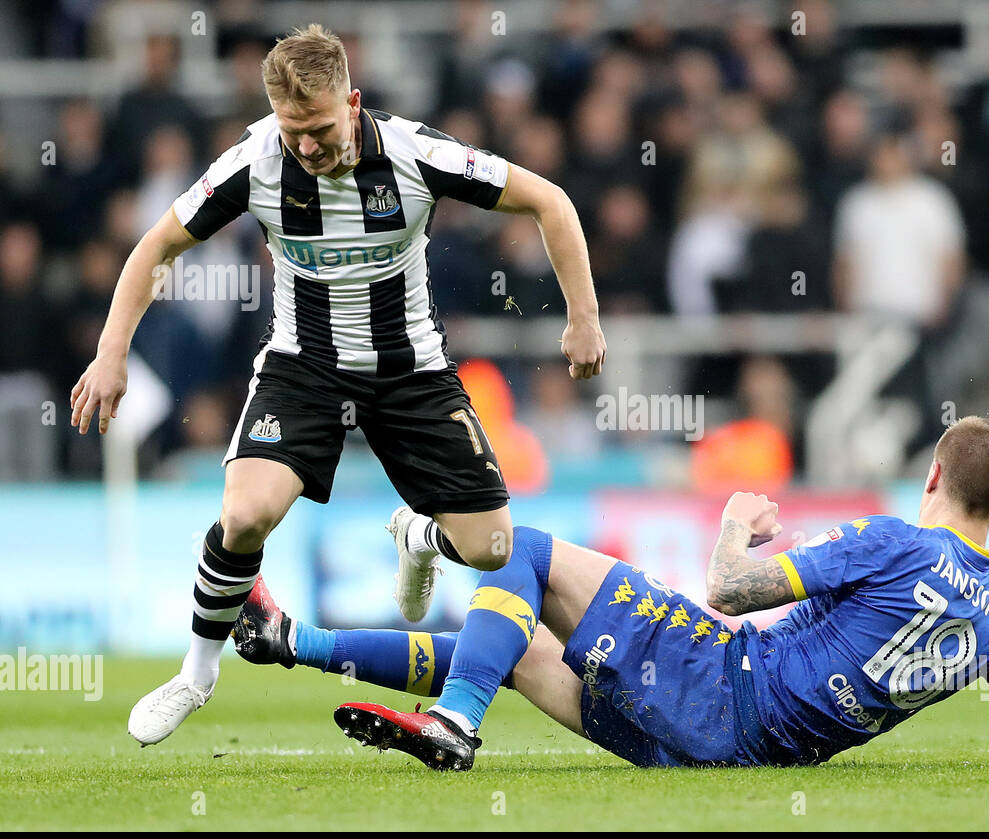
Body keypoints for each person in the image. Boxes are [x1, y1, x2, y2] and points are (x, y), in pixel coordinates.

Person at [68, 24, 606, 746]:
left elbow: (552, 201)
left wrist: (583, 319)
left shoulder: (417, 153)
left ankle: (417, 535)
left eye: (319, 128)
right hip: (305, 368)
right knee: (246, 514)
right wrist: (112, 354)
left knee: (492, 551)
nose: (307, 147)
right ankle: (196, 674)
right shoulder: (254, 161)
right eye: (293, 132)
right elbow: (157, 244)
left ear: (351, 102)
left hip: (410, 370)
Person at [235, 417, 989, 769]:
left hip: (724, 678)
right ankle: (288, 641)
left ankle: (456, 722)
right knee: (509, 643)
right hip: (726, 756)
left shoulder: (891, 543)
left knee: (520, 553)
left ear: (936, 473)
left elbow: (729, 589)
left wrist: (735, 521)